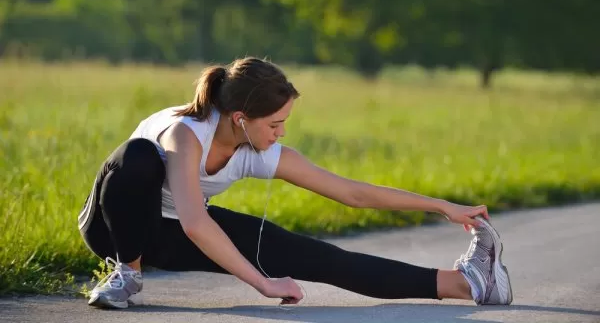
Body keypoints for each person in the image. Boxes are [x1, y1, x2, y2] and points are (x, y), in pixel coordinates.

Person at [77, 56, 513, 310]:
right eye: (276, 123)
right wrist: (264, 284)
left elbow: (351, 193)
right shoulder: (185, 134)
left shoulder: (257, 148)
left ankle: (468, 283)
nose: (281, 133)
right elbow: (195, 221)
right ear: (241, 119)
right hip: (113, 228)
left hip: (169, 234)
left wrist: (442, 206)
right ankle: (126, 275)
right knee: (135, 158)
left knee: (317, 256)